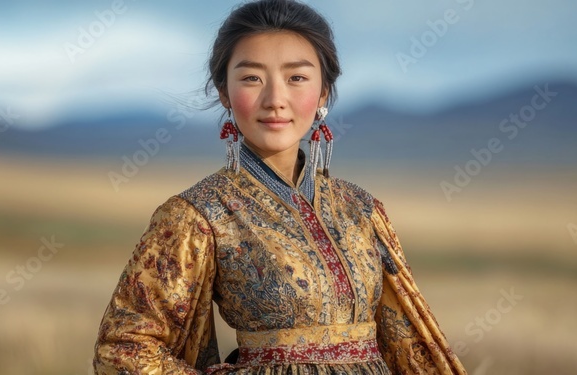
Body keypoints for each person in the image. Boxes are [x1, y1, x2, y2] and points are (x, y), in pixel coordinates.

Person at [93, 0, 467, 373]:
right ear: (224, 91)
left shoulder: (362, 209)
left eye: (296, 78)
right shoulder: (198, 215)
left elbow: (408, 350)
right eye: (252, 78)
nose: (275, 100)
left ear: (324, 92)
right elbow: (122, 349)